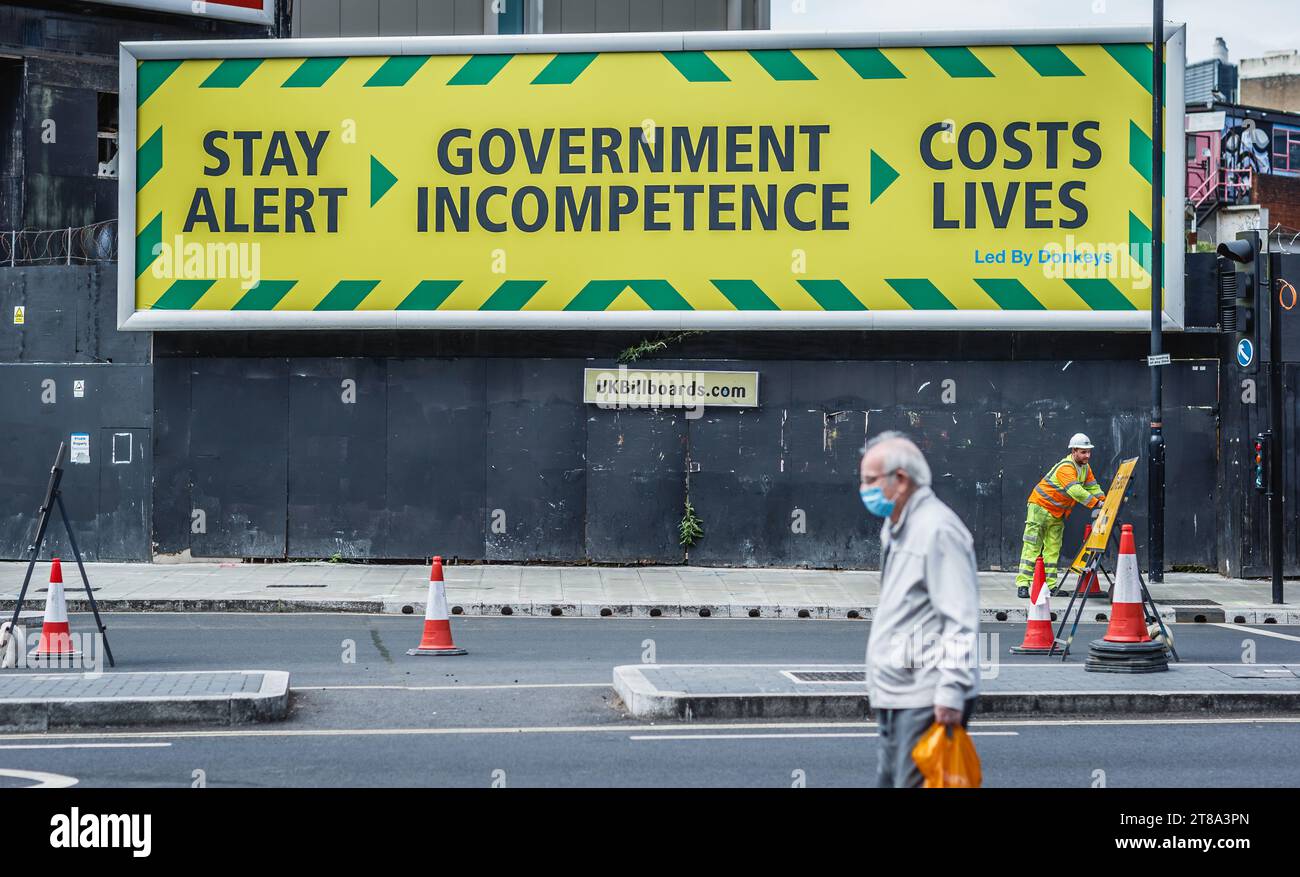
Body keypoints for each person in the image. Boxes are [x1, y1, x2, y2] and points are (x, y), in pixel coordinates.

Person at [860, 431, 980, 788]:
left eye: (869, 480)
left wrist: (950, 691)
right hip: (896, 692)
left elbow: (961, 619)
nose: (863, 489)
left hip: (925, 695)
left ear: (900, 479)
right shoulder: (897, 526)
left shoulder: (938, 530)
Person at [1014, 433, 1105, 599]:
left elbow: (1093, 487)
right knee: (1032, 547)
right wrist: (1097, 504)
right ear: (1074, 451)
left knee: (1052, 550)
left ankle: (1050, 586)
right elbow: (1075, 491)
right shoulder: (1066, 467)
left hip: (1056, 513)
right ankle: (1023, 585)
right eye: (1083, 452)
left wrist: (1105, 500)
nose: (1087, 455)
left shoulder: (1085, 468)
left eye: (1089, 452)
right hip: (1039, 509)